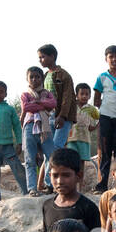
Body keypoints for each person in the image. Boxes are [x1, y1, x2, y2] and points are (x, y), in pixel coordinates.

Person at [93, 45, 116, 191]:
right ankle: (102, 184)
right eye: (111, 57)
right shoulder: (101, 77)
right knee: (105, 151)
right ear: (106, 59)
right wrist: (104, 109)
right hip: (105, 117)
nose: (114, 59)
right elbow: (96, 99)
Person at [38, 43, 76, 172]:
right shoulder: (44, 76)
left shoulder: (63, 75)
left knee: (57, 147)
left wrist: (63, 116)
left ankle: (53, 179)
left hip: (61, 116)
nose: (40, 60)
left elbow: (67, 97)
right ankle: (50, 182)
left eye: (43, 57)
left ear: (52, 56)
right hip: (48, 116)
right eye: (39, 57)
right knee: (49, 148)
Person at [21, 66, 57, 194]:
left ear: (42, 78)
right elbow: (26, 106)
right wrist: (42, 104)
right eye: (32, 77)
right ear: (27, 79)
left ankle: (50, 185)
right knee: (30, 159)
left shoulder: (47, 93)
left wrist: (37, 103)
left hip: (45, 128)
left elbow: (52, 104)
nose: (34, 79)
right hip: (30, 126)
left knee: (51, 157)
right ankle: (32, 188)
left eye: (37, 77)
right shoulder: (25, 94)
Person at [70, 83, 100, 167]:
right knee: (71, 160)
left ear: (90, 96)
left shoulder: (92, 109)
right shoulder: (72, 107)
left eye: (86, 94)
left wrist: (96, 126)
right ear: (76, 95)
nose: (84, 96)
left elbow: (98, 119)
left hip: (85, 139)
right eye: (82, 94)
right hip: (71, 139)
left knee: (82, 162)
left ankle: (80, 179)